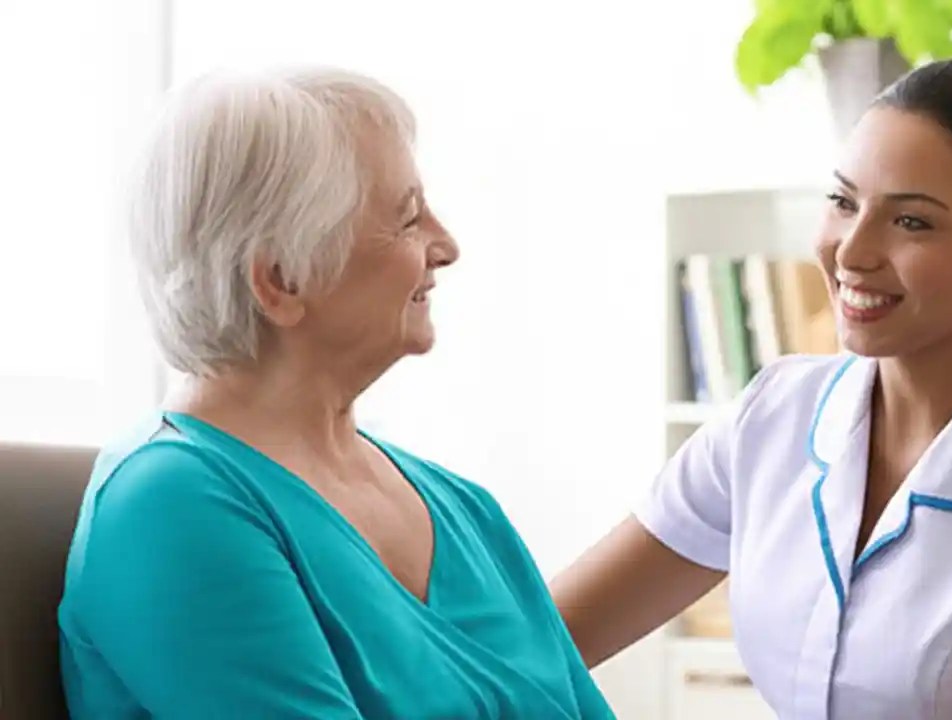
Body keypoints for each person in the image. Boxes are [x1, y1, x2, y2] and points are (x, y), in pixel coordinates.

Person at [552, 57, 952, 720]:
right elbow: (534, 643)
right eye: (845, 203)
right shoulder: (774, 415)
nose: (852, 252)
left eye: (911, 222)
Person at [59, 67, 613, 720]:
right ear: (281, 279)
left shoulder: (465, 509)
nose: (447, 246)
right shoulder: (169, 505)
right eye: (408, 220)